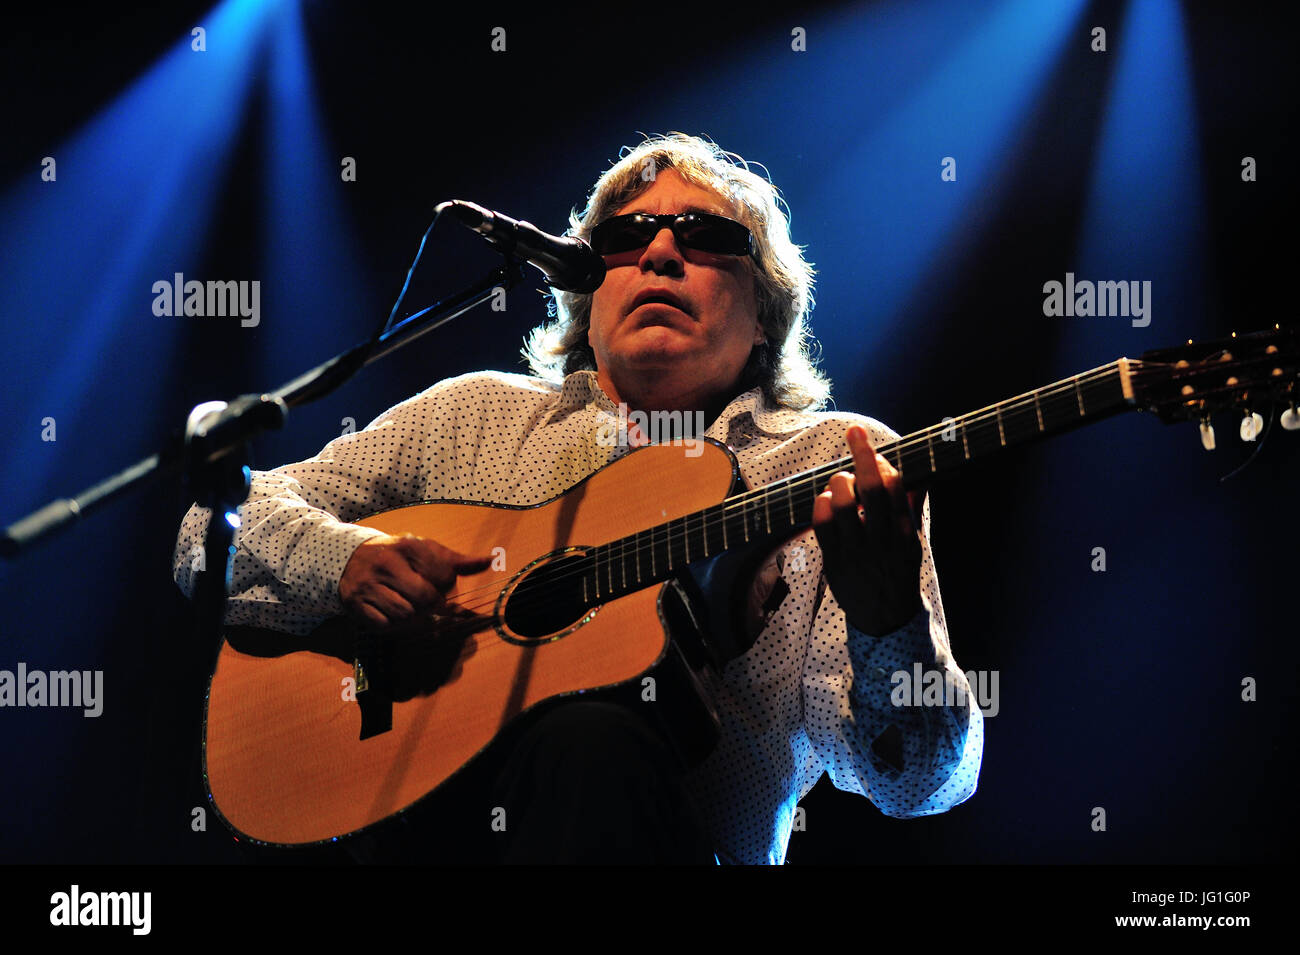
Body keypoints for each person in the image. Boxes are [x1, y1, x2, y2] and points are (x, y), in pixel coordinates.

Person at [173, 132, 983, 865]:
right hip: (412, 837)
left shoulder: (833, 462)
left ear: (767, 316)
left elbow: (916, 782)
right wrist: (342, 561)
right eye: (625, 239)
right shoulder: (469, 417)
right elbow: (203, 532)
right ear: (585, 306)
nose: (661, 252)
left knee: (589, 741)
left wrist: (890, 627)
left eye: (705, 238)